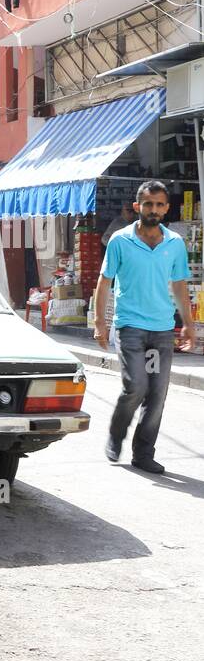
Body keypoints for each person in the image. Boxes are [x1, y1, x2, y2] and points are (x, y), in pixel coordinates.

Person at [93, 180, 196, 474]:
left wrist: (187, 324)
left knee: (158, 393)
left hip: (163, 329)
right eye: (148, 204)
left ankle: (143, 452)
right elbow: (105, 282)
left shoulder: (175, 244)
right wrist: (100, 323)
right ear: (138, 207)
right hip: (130, 326)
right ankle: (116, 432)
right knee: (136, 387)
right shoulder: (120, 241)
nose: (153, 209)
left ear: (166, 208)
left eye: (159, 204)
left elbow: (178, 285)